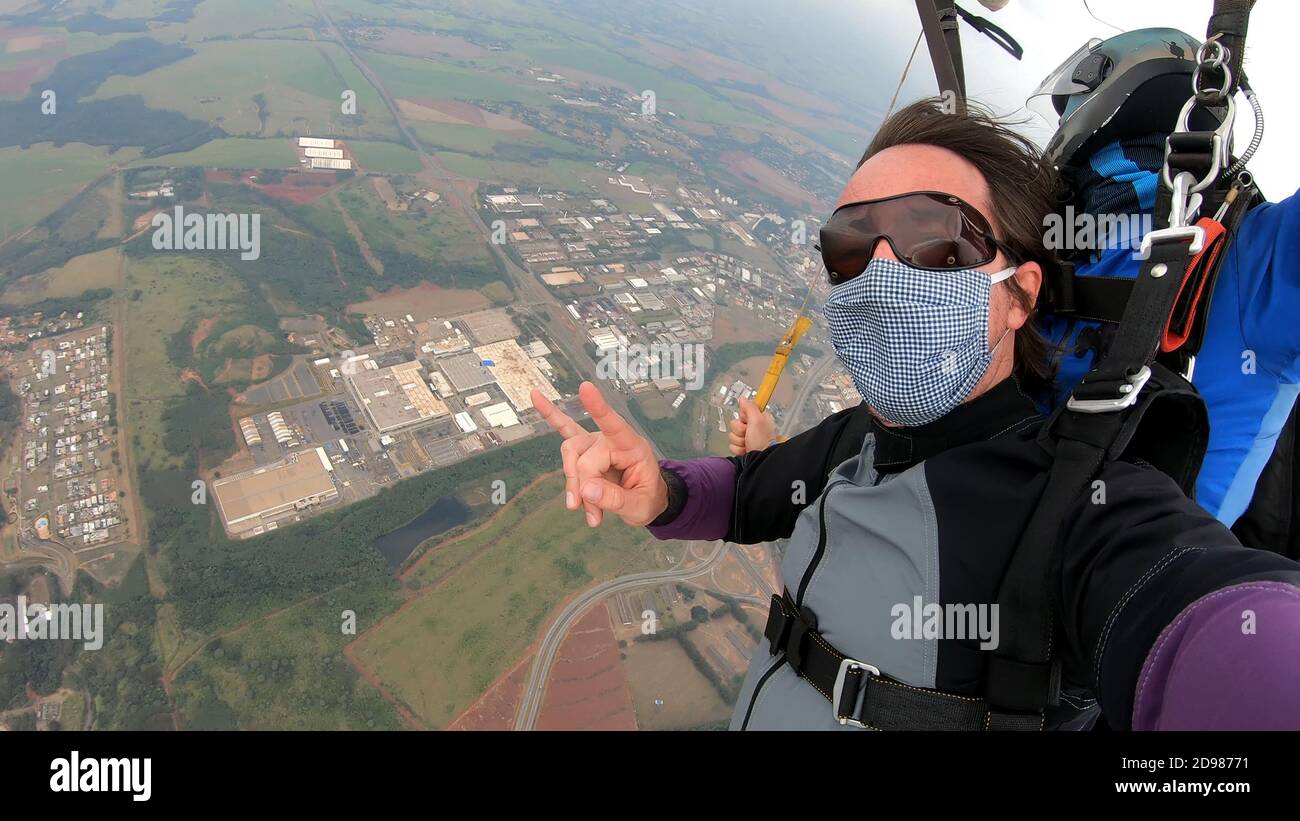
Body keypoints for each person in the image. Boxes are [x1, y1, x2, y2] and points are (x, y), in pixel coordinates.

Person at [533, 99, 1300, 730]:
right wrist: (658, 490)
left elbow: (1226, 635)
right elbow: (746, 490)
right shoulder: (859, 439)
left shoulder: (1077, 510)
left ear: (1020, 294)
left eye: (934, 237)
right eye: (849, 246)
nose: (881, 270)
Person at [732, 28, 1300, 559]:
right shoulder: (1039, 252)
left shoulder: (1256, 259)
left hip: (1119, 583)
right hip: (988, 547)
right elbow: (918, 408)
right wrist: (774, 462)